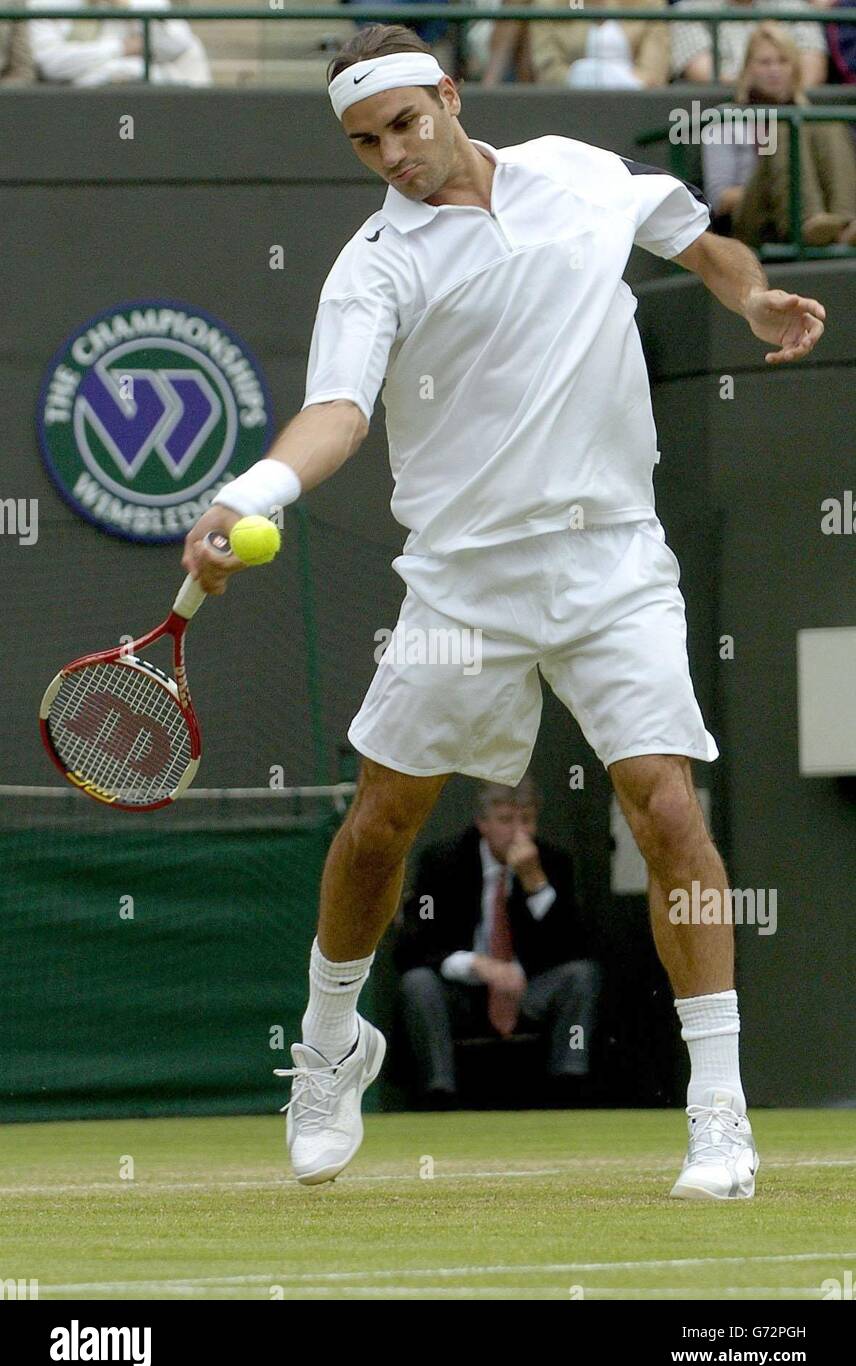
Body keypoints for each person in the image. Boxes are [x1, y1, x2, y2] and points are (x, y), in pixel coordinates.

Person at [182, 22, 826, 1199]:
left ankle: (718, 1112)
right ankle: (330, 1043)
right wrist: (250, 490)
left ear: (450, 93)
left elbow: (700, 239)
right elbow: (338, 411)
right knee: (382, 818)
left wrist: (752, 296)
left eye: (404, 124)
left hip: (612, 560)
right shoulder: (373, 265)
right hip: (464, 577)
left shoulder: (579, 175)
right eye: (365, 142)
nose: (391, 155)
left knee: (669, 804)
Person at [395, 778, 600, 1107]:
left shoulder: (552, 862)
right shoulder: (442, 862)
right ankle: (438, 1094)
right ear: (482, 824)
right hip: (464, 993)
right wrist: (478, 965)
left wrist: (536, 885)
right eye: (506, 820)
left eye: (527, 820)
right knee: (418, 983)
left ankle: (570, 1088)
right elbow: (412, 948)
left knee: (581, 976)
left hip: (529, 990)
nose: (518, 833)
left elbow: (575, 947)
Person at [703, 23, 856, 245]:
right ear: (747, 69)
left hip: (824, 215)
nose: (774, 69)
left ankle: (846, 224)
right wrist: (776, 186)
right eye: (765, 62)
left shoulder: (813, 118)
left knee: (826, 123)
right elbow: (719, 199)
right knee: (785, 125)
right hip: (751, 218)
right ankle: (807, 220)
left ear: (794, 68)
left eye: (783, 61)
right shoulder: (725, 116)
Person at [27, 0, 211, 86]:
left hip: (151, 104)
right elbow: (50, 64)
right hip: (75, 107)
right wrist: (123, 47)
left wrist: (127, 7)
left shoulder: (145, 3)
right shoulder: (44, 4)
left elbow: (177, 46)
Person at [670, 0, 828, 86]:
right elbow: (702, 73)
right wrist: (762, 92)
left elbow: (812, 72)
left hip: (791, 109)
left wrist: (776, 94)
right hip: (718, 112)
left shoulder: (796, 7)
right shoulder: (689, 9)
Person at [531, 0, 670, 89]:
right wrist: (580, 78)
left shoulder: (650, 3)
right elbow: (548, 70)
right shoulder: (548, 5)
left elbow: (654, 73)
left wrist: (624, 81)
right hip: (568, 104)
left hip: (636, 104)